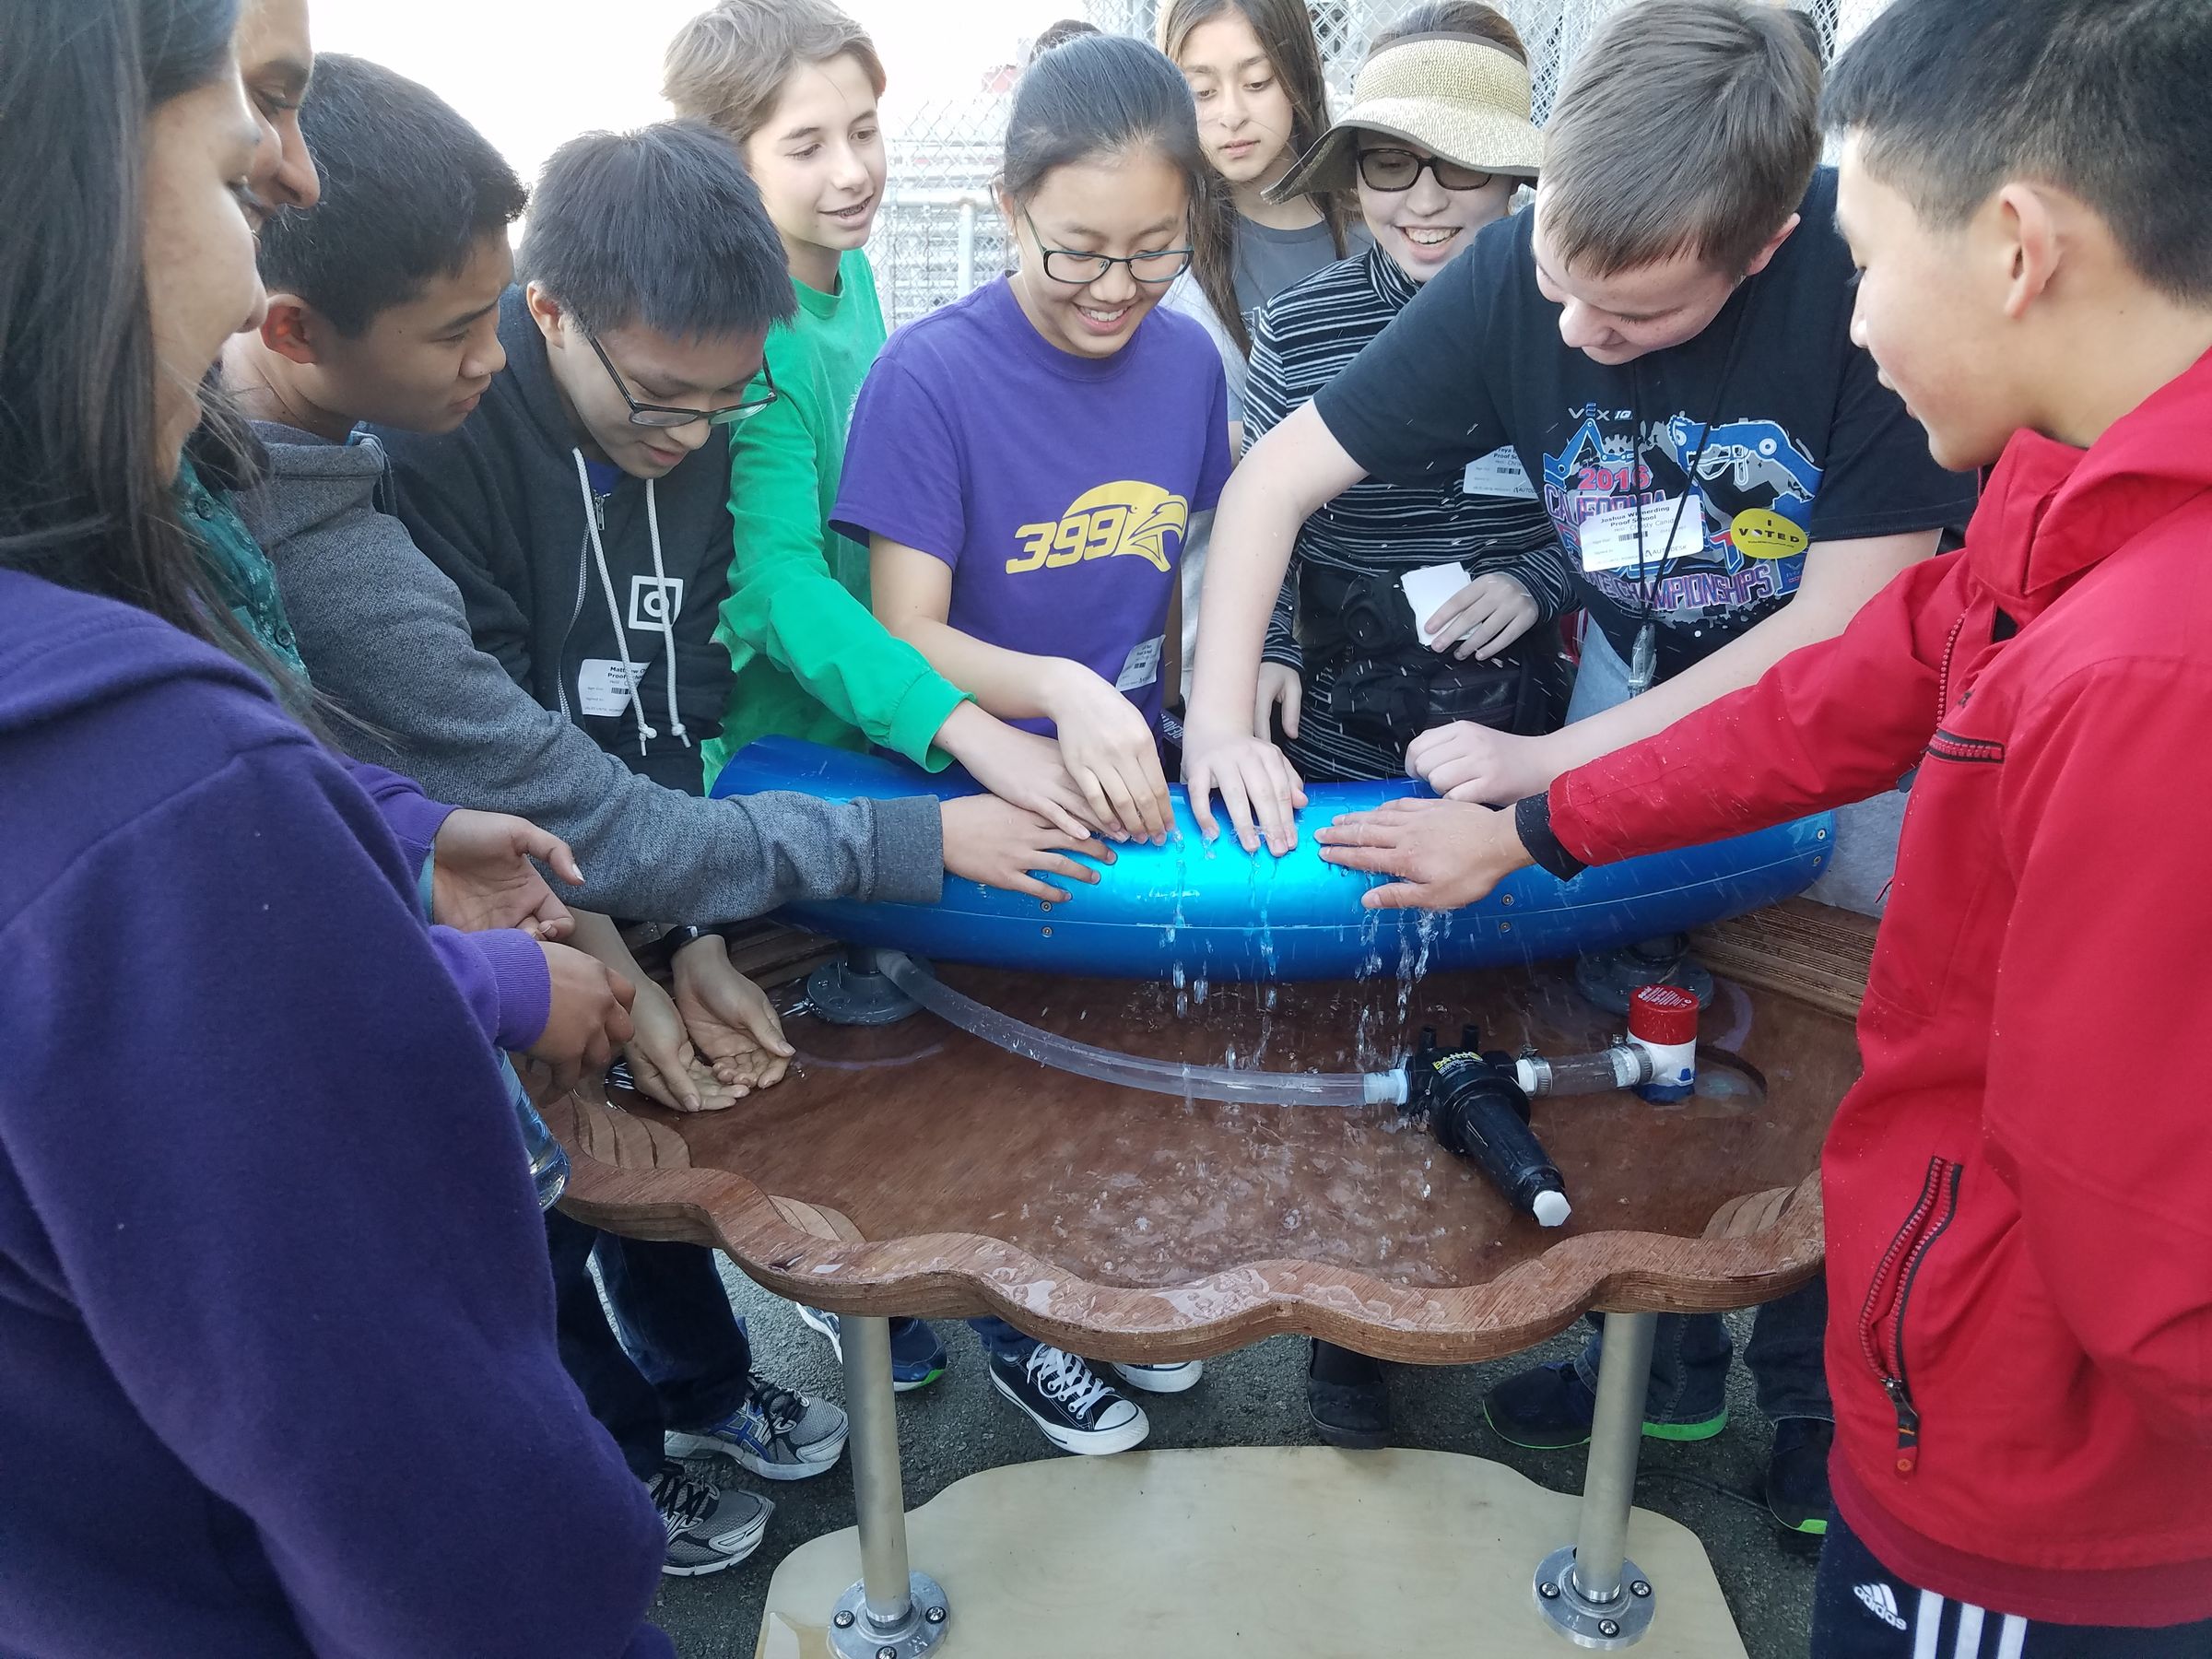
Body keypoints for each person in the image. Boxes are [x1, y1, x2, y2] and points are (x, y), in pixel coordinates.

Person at [1318, 2, 2212, 1650]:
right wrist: (1545, 825)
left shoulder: (2152, 663)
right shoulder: (2058, 509)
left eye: (1865, 263)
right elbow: (1849, 684)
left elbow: (2149, 1254)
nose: (1853, 329)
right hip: (1963, 1392)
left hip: (2044, 1498)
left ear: (2017, 248)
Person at [1185, 0, 1978, 1534]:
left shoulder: (1857, 287)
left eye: (1631, 323)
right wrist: (1218, 720)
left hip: (1855, 727)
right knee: (1660, 1027)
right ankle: (1660, 1367)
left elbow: (1837, 640)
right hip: (1635, 677)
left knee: (1855, 1057)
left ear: (1756, 251)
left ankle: (1828, 1420)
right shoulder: (1516, 270)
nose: (1574, 342)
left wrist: (1549, 779)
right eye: (1559, 289)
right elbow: (1274, 478)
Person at [0, 1, 669, 1652]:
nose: (277, 192)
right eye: (245, 143)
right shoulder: (157, 801)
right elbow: (439, 1513)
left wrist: (372, 830)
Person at [229, 77, 856, 1576]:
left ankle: (706, 1390)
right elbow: (500, 755)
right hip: (501, 893)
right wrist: (610, 954)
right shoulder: (438, 440)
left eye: (728, 401)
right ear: (551, 315)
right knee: (550, 1204)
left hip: (627, 861)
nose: (695, 431)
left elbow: (685, 687)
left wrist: (683, 931)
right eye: (663, 400)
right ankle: (622, 1459)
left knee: (656, 1171)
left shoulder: (694, 414)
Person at [664, 0, 1100, 1396]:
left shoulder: (847, 282)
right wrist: (957, 722)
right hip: (792, 749)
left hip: (884, 711)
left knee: (923, 1037)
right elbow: (779, 588)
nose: (854, 168)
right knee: (856, 1064)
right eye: (807, 145)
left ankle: (958, 1300)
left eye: (864, 129)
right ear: (723, 163)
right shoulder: (755, 328)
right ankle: (943, 1314)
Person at [834, 32, 1233, 1453]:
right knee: (998, 1065)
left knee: (1122, 1050)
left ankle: (1095, 1286)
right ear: (1008, 210)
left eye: (1154, 251)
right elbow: (904, 633)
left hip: (1126, 754)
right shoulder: (930, 380)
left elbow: (1192, 569)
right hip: (976, 775)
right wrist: (1066, 687)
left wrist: (1212, 720)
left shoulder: (1188, 367)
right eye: (1078, 252)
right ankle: (1015, 1323)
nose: (1116, 290)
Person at [1236, 2, 1572, 1448]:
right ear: (1349, 178)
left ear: (1520, 189)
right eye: (1391, 168)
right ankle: (1343, 1337)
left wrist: (1530, 577)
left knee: (1502, 1014)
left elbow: (1614, 519)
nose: (1425, 202)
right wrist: (1267, 655)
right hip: (1345, 719)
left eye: (1464, 172)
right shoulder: (1302, 324)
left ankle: (1494, 1277)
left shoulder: (1570, 315)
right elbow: (1249, 515)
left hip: (1513, 719)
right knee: (1342, 1021)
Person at [1158, 0, 1372, 692]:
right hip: (1229, 638)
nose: (1230, 114)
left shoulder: (1383, 225)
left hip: (1381, 620)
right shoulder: (1157, 253)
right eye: (1202, 89)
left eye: (1255, 82)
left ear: (1299, 76)